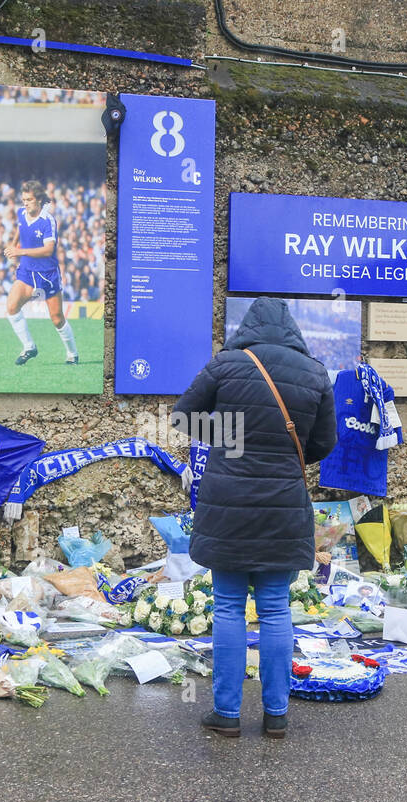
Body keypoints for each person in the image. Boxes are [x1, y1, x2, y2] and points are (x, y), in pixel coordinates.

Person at [173, 297, 337, 739]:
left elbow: (183, 417)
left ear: (248, 326)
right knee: (275, 608)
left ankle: (226, 715)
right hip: (283, 504)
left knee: (227, 606)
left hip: (228, 500)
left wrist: (230, 438)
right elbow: (323, 445)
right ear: (291, 329)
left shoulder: (225, 364)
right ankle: (276, 714)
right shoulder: (314, 373)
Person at [2, 180, 79, 366]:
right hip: (27, 272)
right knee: (11, 307)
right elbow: (20, 228)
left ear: (38, 200)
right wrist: (13, 243)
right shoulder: (22, 213)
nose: (25, 203)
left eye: (29, 199)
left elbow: (48, 250)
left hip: (47, 275)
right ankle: (29, 347)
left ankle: (72, 354)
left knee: (57, 318)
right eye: (23, 199)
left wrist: (19, 251)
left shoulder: (47, 221)